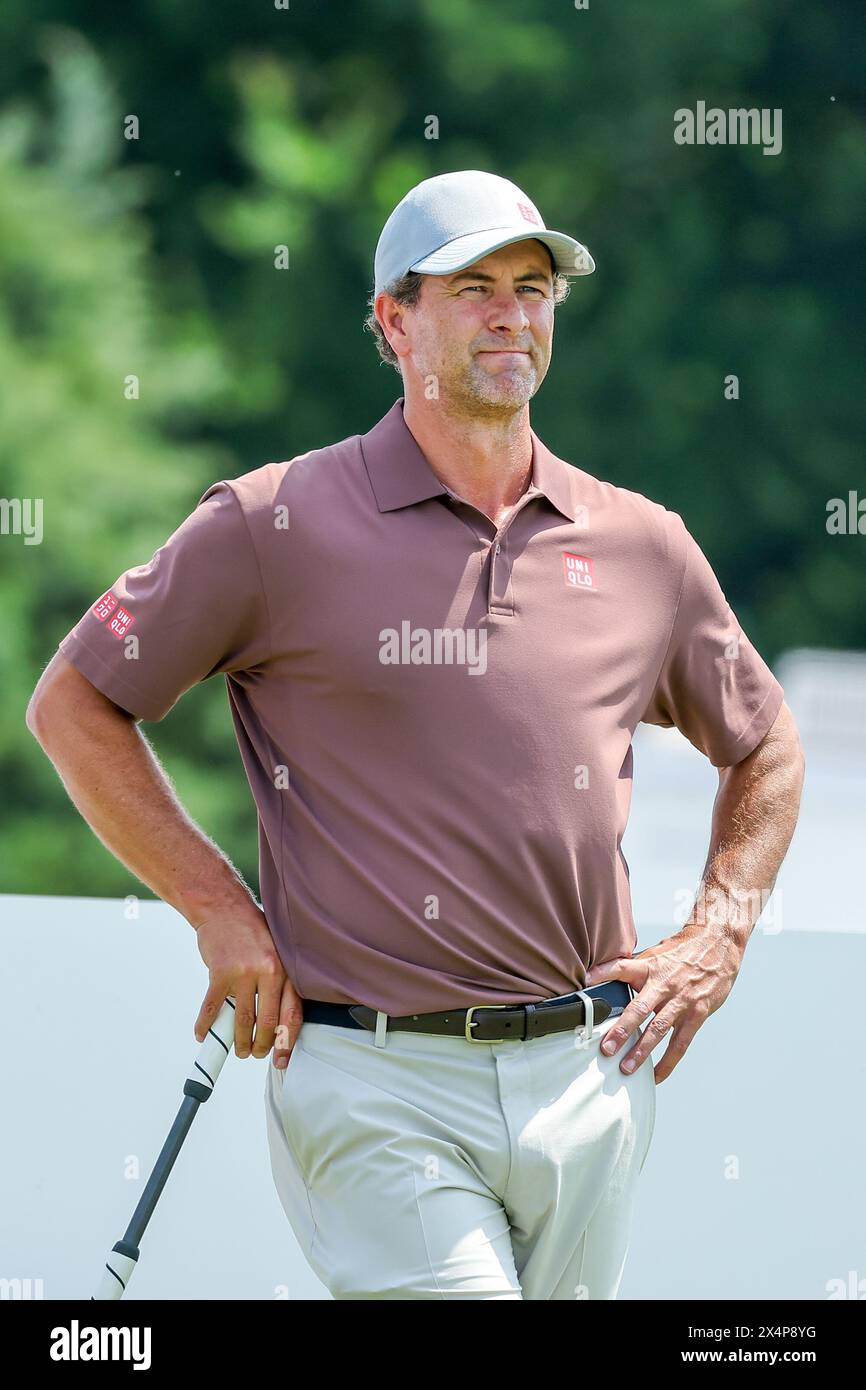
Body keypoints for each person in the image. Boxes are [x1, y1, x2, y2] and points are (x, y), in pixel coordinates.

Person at [26, 169, 805, 1300]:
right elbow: (74, 703)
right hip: (372, 1077)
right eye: (474, 287)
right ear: (393, 322)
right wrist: (218, 909)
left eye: (532, 289)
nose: (512, 314)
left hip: (591, 1074)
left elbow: (766, 746)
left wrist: (718, 935)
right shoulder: (270, 522)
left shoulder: (642, 544)